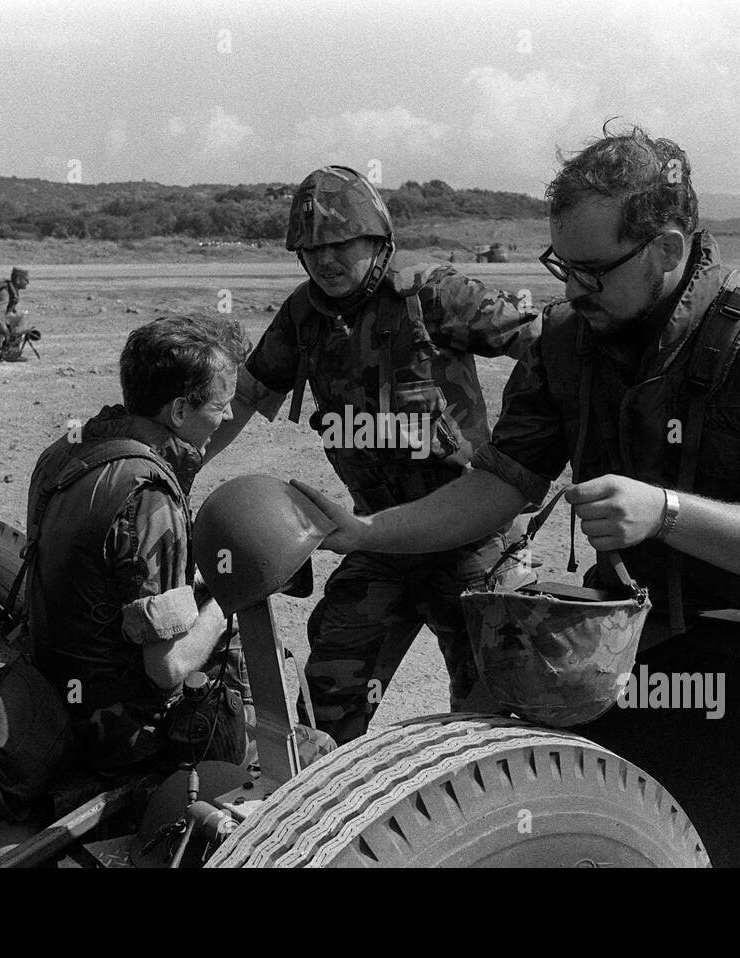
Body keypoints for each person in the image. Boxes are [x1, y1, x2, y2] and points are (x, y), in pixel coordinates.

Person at [293, 125, 740, 866]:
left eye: (593, 271)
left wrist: (664, 512)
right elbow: (501, 485)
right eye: (564, 265)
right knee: (609, 820)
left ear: (666, 249)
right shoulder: (568, 341)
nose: (571, 290)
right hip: (630, 640)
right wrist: (368, 531)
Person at [203, 165, 541, 744]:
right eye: (310, 251)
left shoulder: (433, 294)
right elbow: (244, 399)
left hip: (470, 535)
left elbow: (542, 346)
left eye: (339, 246)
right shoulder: (303, 316)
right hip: (378, 537)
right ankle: (324, 808)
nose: (325, 262)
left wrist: (520, 453)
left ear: (377, 241)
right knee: (328, 685)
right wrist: (177, 469)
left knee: (496, 703)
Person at [24, 315, 252, 774]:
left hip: (51, 688)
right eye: (220, 405)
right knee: (306, 746)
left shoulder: (67, 451)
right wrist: (230, 596)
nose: (227, 416)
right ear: (180, 412)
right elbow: (166, 669)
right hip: (119, 729)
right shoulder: (148, 494)